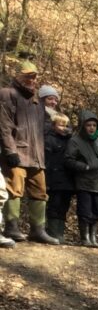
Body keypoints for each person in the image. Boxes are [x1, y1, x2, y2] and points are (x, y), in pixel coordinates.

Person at [1, 61, 58, 244]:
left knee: (40, 191)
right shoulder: (7, 94)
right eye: (28, 75)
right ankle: (11, 228)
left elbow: (43, 129)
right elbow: (4, 126)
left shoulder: (36, 102)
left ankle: (37, 230)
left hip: (37, 155)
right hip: (17, 152)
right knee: (14, 189)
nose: (32, 80)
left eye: (34, 76)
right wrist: (10, 151)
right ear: (18, 75)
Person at [62, 110, 98, 247]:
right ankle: (85, 238)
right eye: (89, 125)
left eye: (94, 125)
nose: (92, 128)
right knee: (85, 210)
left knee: (97, 210)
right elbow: (68, 160)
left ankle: (93, 237)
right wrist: (84, 167)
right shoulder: (75, 141)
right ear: (83, 126)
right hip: (84, 182)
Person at [43, 113, 73, 243]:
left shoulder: (70, 140)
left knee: (64, 206)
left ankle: (60, 233)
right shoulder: (49, 139)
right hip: (54, 177)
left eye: (66, 125)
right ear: (54, 125)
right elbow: (47, 160)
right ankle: (53, 232)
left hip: (68, 178)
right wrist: (47, 179)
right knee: (54, 205)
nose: (64, 128)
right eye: (61, 125)